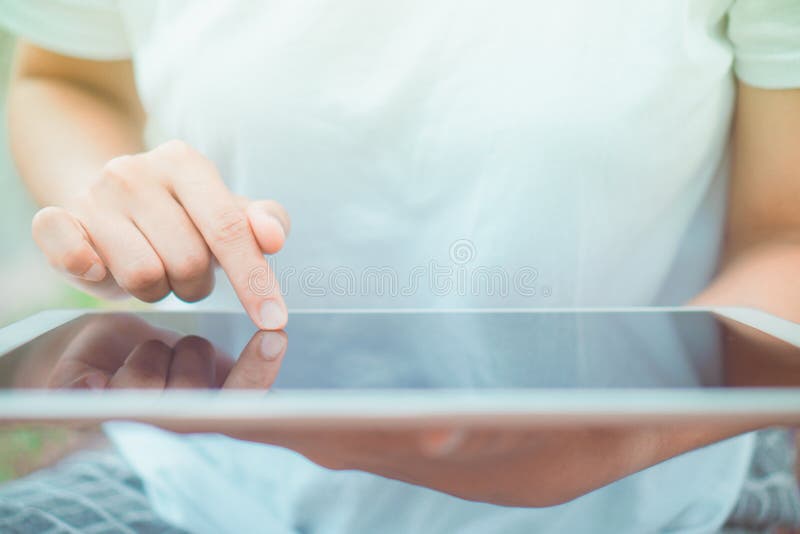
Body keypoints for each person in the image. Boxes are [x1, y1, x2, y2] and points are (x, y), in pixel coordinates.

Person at [0, 0, 799, 532]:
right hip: (205, 486)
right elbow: (64, 75)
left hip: (656, 498)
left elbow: (783, 239)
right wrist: (109, 200)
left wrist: (613, 438)